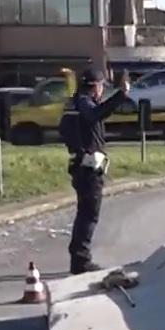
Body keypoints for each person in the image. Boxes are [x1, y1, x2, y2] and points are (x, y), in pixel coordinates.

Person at [59, 67, 130, 274]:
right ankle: (81, 261)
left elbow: (66, 128)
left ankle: (78, 258)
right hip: (88, 167)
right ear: (95, 87)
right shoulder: (84, 102)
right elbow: (94, 115)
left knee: (85, 212)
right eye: (101, 87)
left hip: (79, 164)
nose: (102, 91)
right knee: (89, 214)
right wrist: (121, 95)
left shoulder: (73, 103)